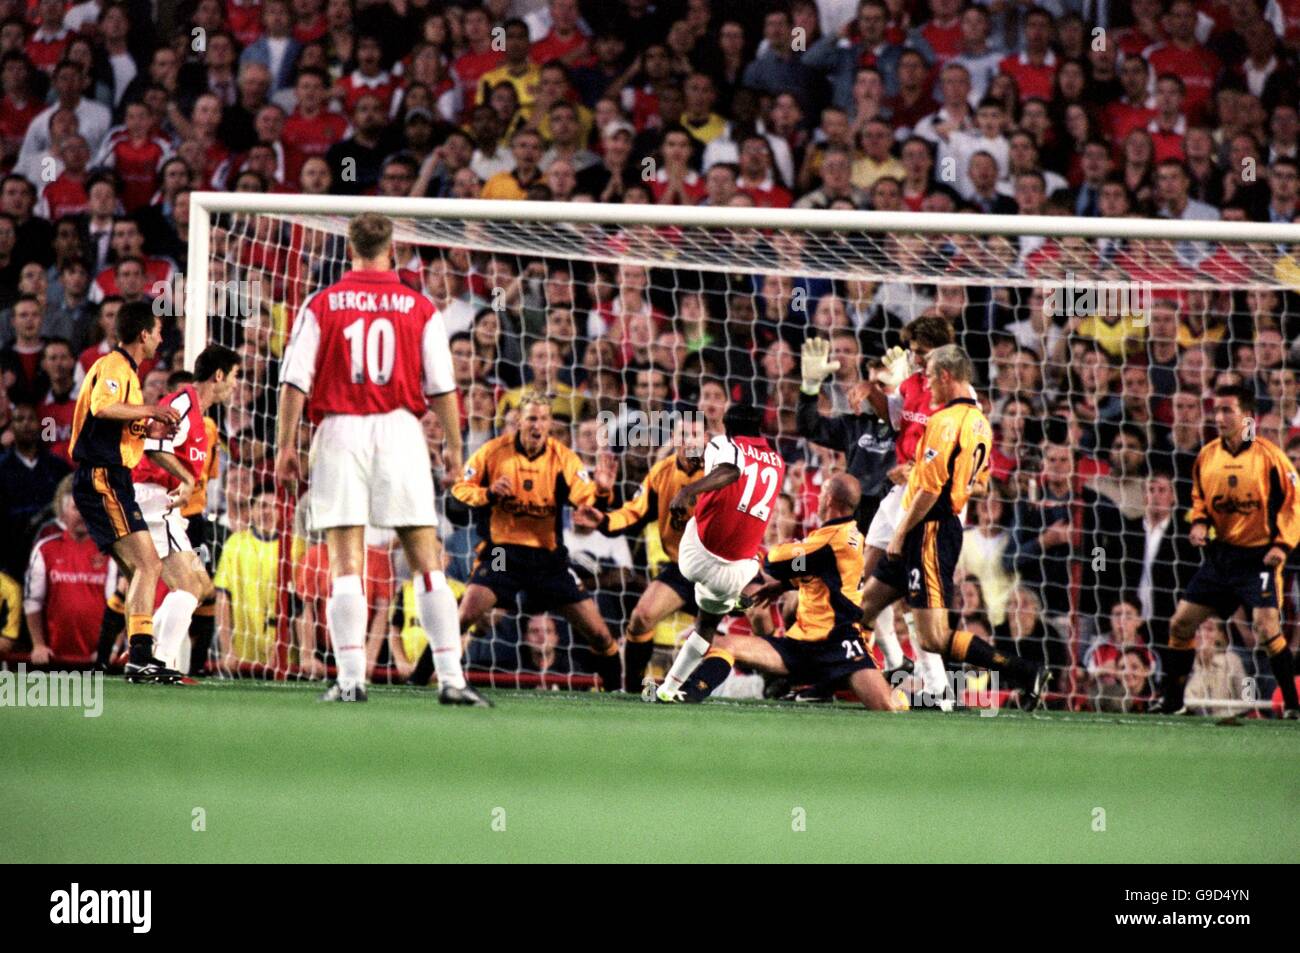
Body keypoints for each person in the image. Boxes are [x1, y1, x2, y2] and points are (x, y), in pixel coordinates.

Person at [275, 212, 485, 706]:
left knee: (345, 561)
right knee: (426, 559)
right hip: (399, 431)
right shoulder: (419, 307)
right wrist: (455, 449)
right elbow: (443, 388)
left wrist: (286, 444)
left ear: (351, 248)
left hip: (339, 431)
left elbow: (294, 383)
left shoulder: (321, 303)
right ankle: (452, 679)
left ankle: (350, 679)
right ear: (394, 249)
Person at [859, 345, 1047, 708]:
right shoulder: (979, 422)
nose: (927, 385)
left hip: (928, 531)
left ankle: (1023, 671)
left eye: (929, 377)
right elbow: (982, 480)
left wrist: (899, 534)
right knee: (864, 608)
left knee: (933, 637)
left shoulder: (945, 423)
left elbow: (930, 488)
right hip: (930, 527)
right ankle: (883, 681)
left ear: (946, 376)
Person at [675, 473, 899, 709]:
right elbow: (825, 573)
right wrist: (784, 585)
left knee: (888, 707)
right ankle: (688, 694)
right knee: (723, 645)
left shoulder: (830, 540)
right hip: (802, 646)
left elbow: (775, 562)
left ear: (830, 499)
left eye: (821, 492)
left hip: (839, 646)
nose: (818, 497)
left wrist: (761, 551)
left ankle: (822, 687)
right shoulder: (849, 535)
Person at [451, 394, 622, 690]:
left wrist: (603, 492)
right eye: (532, 418)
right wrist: (489, 493)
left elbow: (585, 497)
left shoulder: (564, 458)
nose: (538, 425)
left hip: (548, 560)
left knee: (599, 634)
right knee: (464, 615)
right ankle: (421, 677)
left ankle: (623, 692)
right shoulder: (493, 452)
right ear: (519, 421)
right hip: (504, 552)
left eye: (544, 419)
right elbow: (460, 490)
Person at [1157, 384, 1300, 718]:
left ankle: (1293, 705)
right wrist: (1198, 524)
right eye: (1216, 410)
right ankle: (1173, 703)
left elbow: (1294, 505)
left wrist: (1282, 545)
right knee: (1180, 624)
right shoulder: (1207, 457)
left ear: (1246, 415)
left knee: (1266, 628)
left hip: (1259, 558)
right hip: (1221, 559)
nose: (1219, 417)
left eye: (1227, 410)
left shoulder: (1271, 458)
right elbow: (1200, 502)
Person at [67, 299, 181, 683]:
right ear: (144, 333)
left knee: (138, 569)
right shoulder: (114, 366)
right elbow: (102, 408)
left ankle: (137, 656)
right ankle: (139, 657)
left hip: (110, 478)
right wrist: (151, 411)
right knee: (148, 565)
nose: (161, 338)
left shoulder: (128, 372)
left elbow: (116, 420)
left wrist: (146, 429)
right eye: (159, 331)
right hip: (103, 477)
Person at [652, 403, 786, 703]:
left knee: (695, 518)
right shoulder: (778, 462)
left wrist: (687, 491)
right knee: (707, 626)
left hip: (693, 559)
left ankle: (668, 690)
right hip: (735, 571)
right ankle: (734, 593)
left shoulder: (723, 443)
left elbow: (730, 470)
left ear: (726, 425)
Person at [572, 416, 708, 691]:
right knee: (640, 619)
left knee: (757, 615)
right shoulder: (661, 472)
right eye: (683, 434)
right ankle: (632, 692)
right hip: (682, 567)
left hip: (720, 566)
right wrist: (604, 520)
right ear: (674, 440)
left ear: (706, 439)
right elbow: (634, 512)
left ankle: (781, 684)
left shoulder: (722, 471)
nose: (689, 440)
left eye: (695, 434)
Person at [130, 345, 240, 671]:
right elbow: (153, 446)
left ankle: (148, 655)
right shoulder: (182, 402)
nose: (235, 384)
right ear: (219, 375)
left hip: (166, 506)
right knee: (190, 586)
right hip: (153, 499)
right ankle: (157, 663)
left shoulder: (199, 416)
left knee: (202, 586)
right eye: (234, 376)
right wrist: (186, 480)